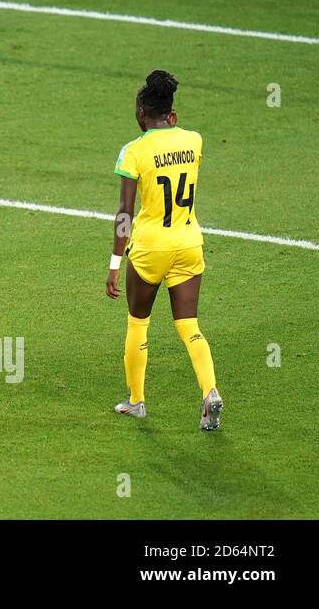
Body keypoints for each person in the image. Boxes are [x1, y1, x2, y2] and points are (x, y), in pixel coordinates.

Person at [106, 70, 222, 430]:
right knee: (189, 324)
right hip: (189, 243)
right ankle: (210, 391)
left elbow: (125, 212)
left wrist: (113, 263)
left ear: (141, 113)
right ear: (171, 114)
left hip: (151, 248)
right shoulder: (194, 140)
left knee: (138, 322)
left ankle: (137, 400)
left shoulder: (134, 151)